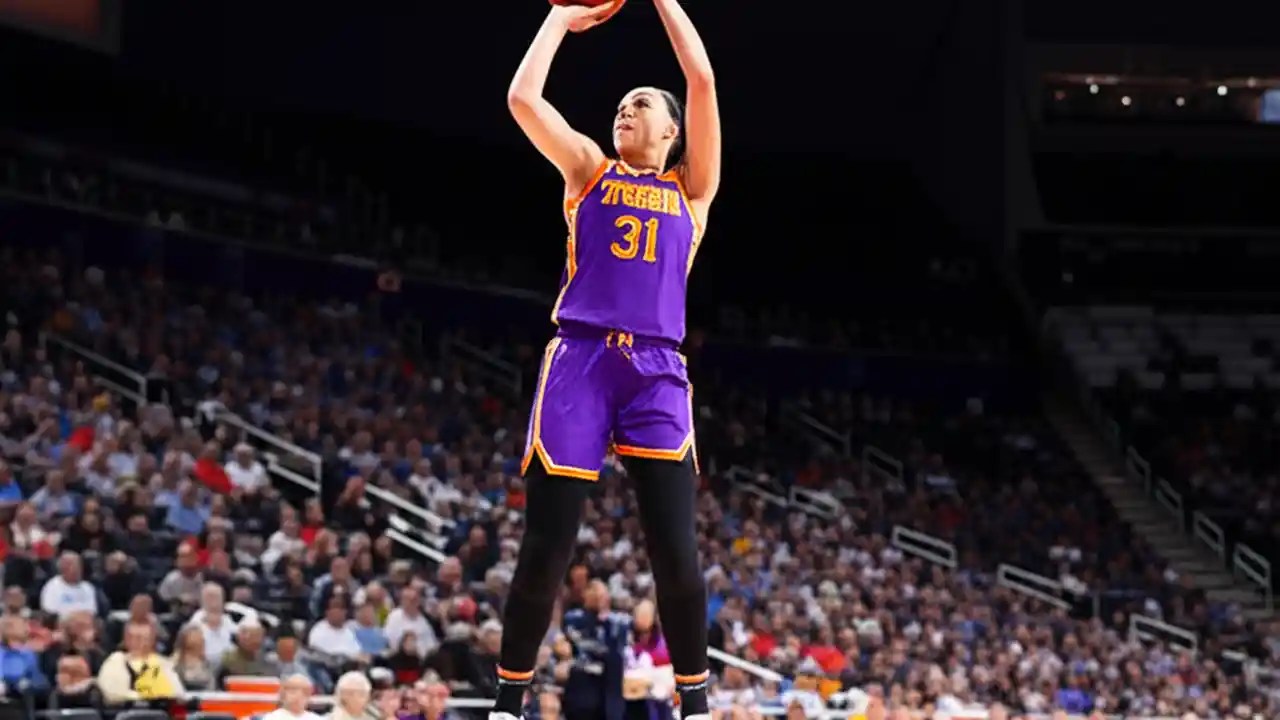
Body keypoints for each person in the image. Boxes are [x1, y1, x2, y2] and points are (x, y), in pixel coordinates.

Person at [494, 0, 721, 716]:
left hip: (655, 372)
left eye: (641, 105)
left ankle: (695, 703)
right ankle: (508, 700)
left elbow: (703, 77)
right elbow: (523, 99)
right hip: (581, 364)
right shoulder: (589, 169)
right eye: (621, 104)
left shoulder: (691, 189)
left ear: (672, 129)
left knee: (675, 554)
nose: (626, 111)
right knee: (548, 548)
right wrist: (560, 18)